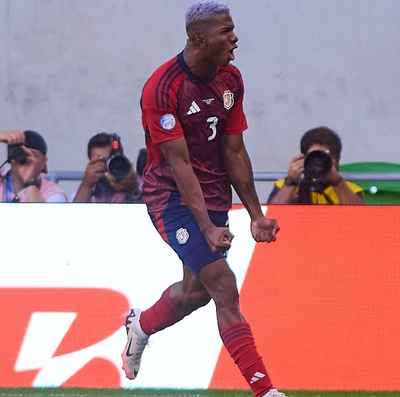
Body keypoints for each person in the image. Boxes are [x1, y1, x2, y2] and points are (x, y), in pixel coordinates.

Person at [123, 2, 285, 397]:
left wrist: (255, 215)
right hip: (172, 198)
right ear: (198, 38)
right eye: (226, 31)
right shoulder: (163, 88)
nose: (234, 38)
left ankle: (140, 325)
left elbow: (233, 151)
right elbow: (178, 164)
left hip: (213, 194)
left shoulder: (231, 79)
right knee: (223, 285)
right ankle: (264, 390)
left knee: (196, 292)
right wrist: (208, 226)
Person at [267, 126, 363, 204]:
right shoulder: (285, 185)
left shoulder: (349, 188)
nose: (319, 163)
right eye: (314, 156)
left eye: (325, 157)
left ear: (337, 160)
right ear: (303, 159)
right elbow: (273, 216)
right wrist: (291, 182)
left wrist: (338, 183)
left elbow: (360, 219)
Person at [72, 132, 143, 203]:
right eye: (102, 161)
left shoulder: (137, 183)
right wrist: (87, 185)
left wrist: (132, 186)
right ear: (91, 163)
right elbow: (75, 213)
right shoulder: (86, 190)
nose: (109, 165)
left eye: (111, 159)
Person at [0, 130, 67, 203]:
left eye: (34, 156)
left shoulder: (53, 193)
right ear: (11, 158)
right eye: (21, 154)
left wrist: (30, 183)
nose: (27, 160)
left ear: (44, 164)